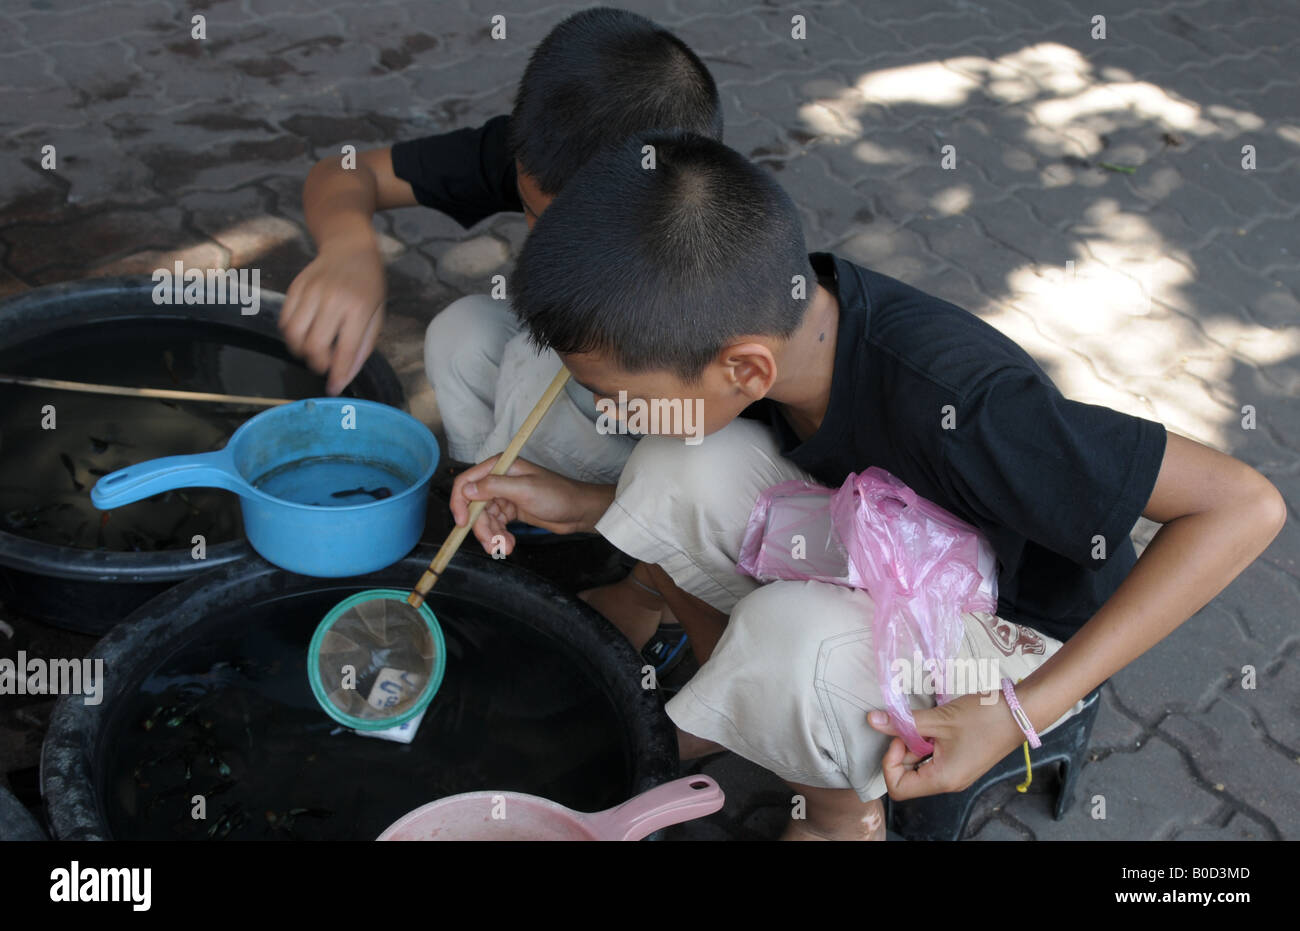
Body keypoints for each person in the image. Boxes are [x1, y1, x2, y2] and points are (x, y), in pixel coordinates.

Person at [448, 131, 1287, 840]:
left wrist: (1019, 711)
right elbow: (805, 509)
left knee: (796, 638)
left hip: (1019, 637)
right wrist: (579, 501)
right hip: (893, 557)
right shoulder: (788, 322)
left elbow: (1245, 505)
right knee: (673, 468)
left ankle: (841, 818)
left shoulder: (966, 405)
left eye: (620, 394)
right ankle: (730, 707)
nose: (613, 411)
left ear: (745, 368)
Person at [278, 7, 724, 657]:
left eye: (564, 225)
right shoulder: (554, 153)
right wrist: (349, 247)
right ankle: (501, 520)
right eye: (530, 212)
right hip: (589, 416)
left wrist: (633, 561)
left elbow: (737, 496)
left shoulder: (722, 271)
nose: (541, 240)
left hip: (681, 461)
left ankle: (647, 592)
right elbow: (345, 171)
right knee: (461, 333)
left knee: (564, 387)